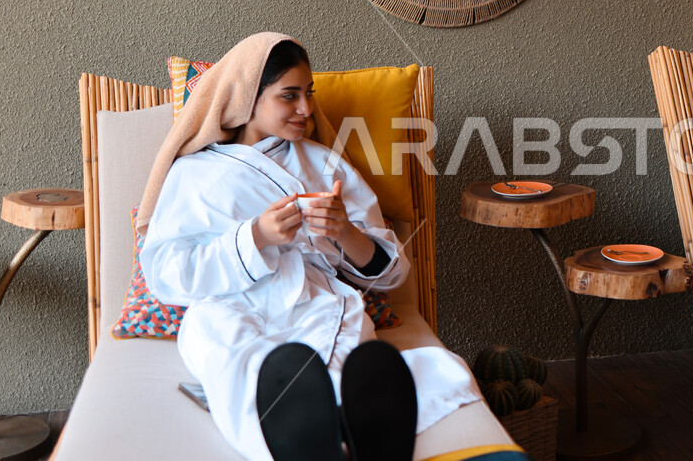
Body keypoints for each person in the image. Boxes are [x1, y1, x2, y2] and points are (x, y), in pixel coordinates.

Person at [137, 32, 479, 461]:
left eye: (309, 94)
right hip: (225, 304)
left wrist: (345, 233)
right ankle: (329, 433)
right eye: (289, 95)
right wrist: (255, 237)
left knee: (338, 352)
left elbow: (393, 271)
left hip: (314, 298)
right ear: (248, 98)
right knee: (220, 347)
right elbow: (166, 275)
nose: (306, 109)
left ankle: (335, 424)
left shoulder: (324, 164)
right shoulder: (191, 174)